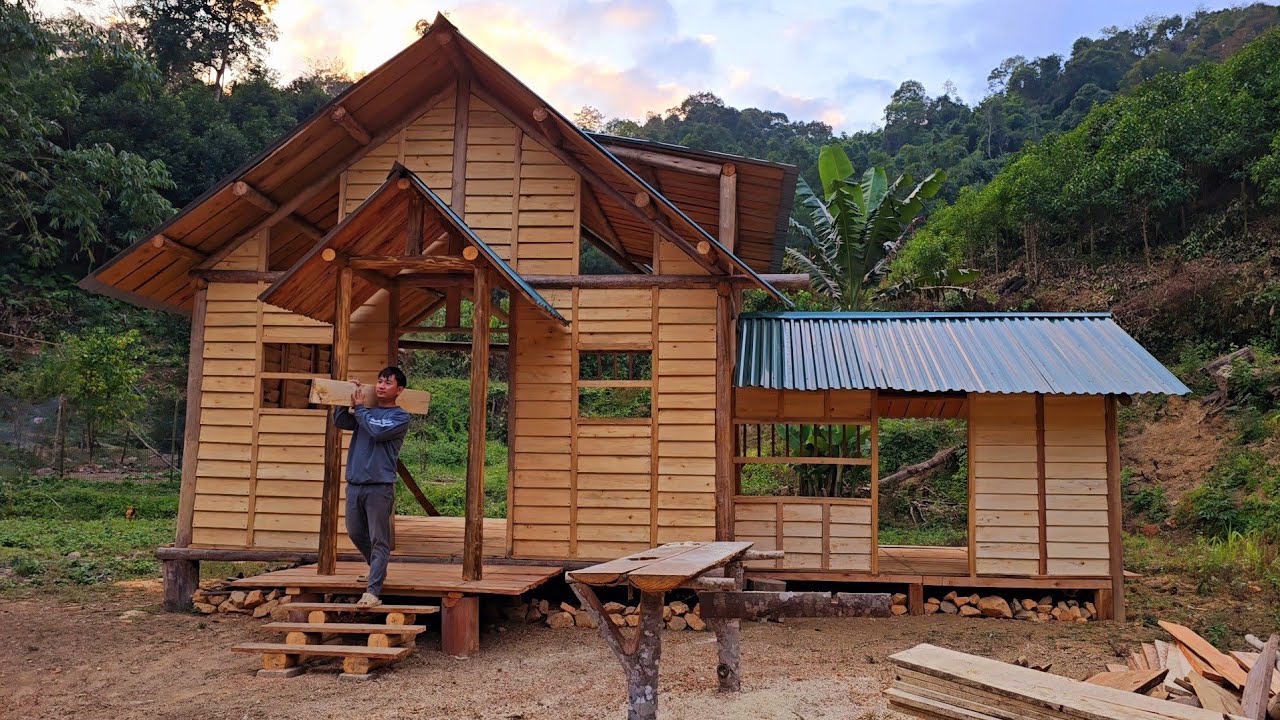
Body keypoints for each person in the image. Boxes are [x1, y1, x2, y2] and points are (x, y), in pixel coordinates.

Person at [334, 366, 412, 608]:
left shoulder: (400, 417)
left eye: (387, 383)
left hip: (379, 486)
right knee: (355, 531)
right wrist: (344, 397)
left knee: (379, 538)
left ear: (399, 390)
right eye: (379, 381)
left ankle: (373, 591)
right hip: (355, 483)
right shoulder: (364, 413)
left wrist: (359, 409)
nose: (380, 386)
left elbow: (377, 432)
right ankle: (377, 570)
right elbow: (342, 421)